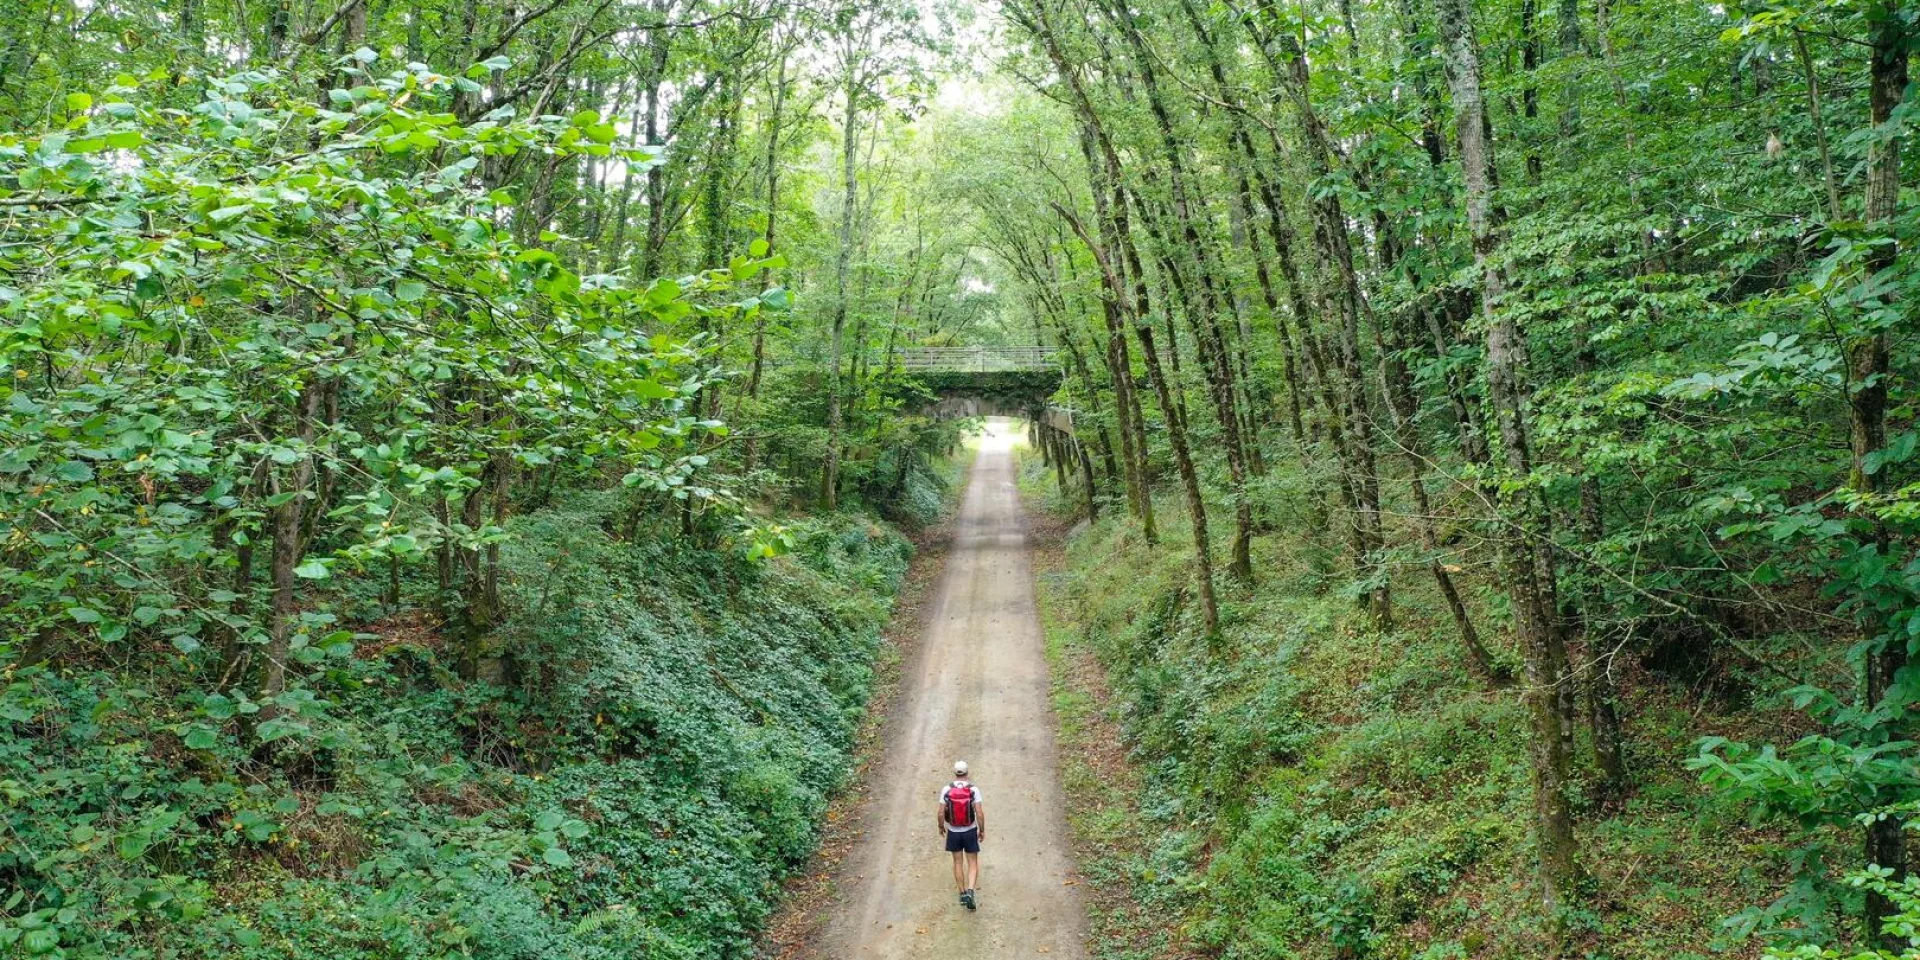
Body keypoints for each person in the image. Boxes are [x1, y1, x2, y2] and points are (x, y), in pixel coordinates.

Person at [937, 759, 984, 910]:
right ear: (967, 772)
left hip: (953, 832)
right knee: (972, 863)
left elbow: (940, 812)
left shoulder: (947, 789)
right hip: (970, 831)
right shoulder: (973, 790)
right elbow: (979, 813)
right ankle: (970, 891)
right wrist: (982, 830)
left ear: (955, 773)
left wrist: (941, 826)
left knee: (957, 862)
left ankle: (962, 894)